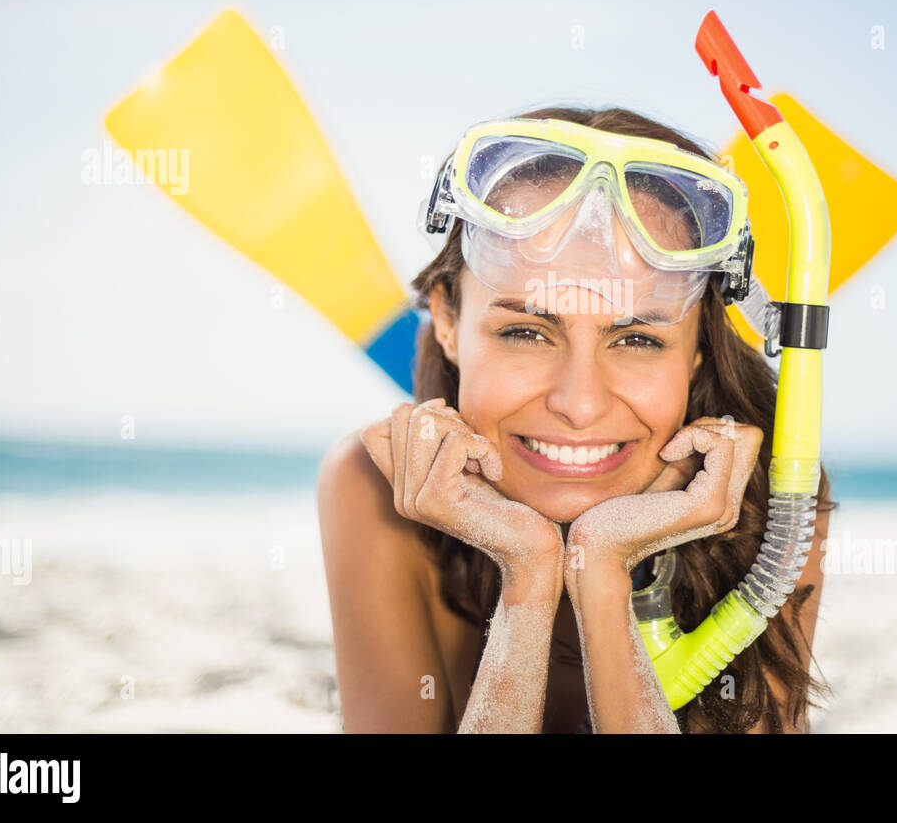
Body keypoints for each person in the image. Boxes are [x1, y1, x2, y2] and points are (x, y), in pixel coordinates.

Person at [317, 105, 836, 733]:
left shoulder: (771, 503)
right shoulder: (372, 485)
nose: (580, 403)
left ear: (698, 350)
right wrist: (528, 578)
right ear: (447, 321)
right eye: (526, 332)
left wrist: (604, 578)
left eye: (637, 339)